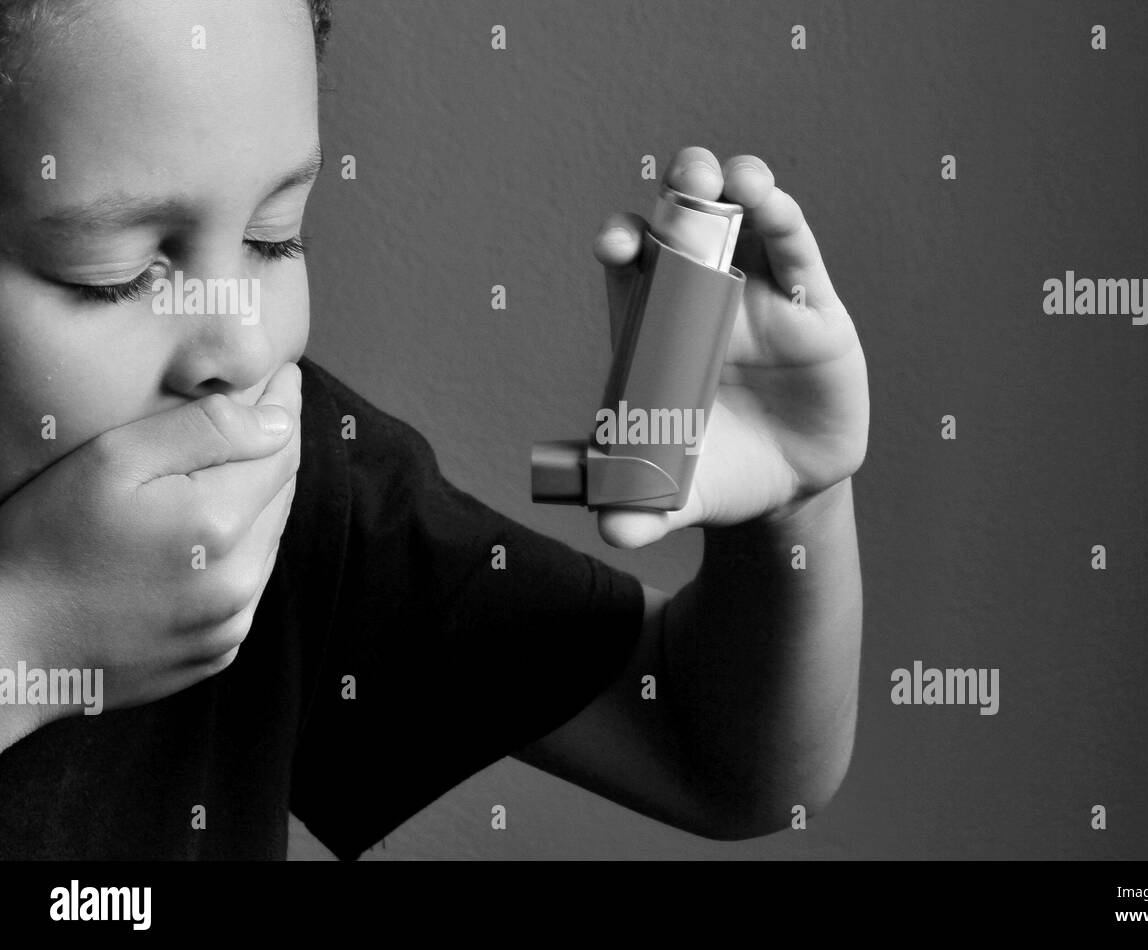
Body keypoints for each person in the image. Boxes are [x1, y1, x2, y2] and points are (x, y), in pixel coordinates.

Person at [0, 0, 869, 859]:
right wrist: (31, 639)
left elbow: (718, 759)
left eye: (275, 240)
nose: (246, 339)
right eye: (113, 276)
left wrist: (794, 509)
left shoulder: (293, 487)